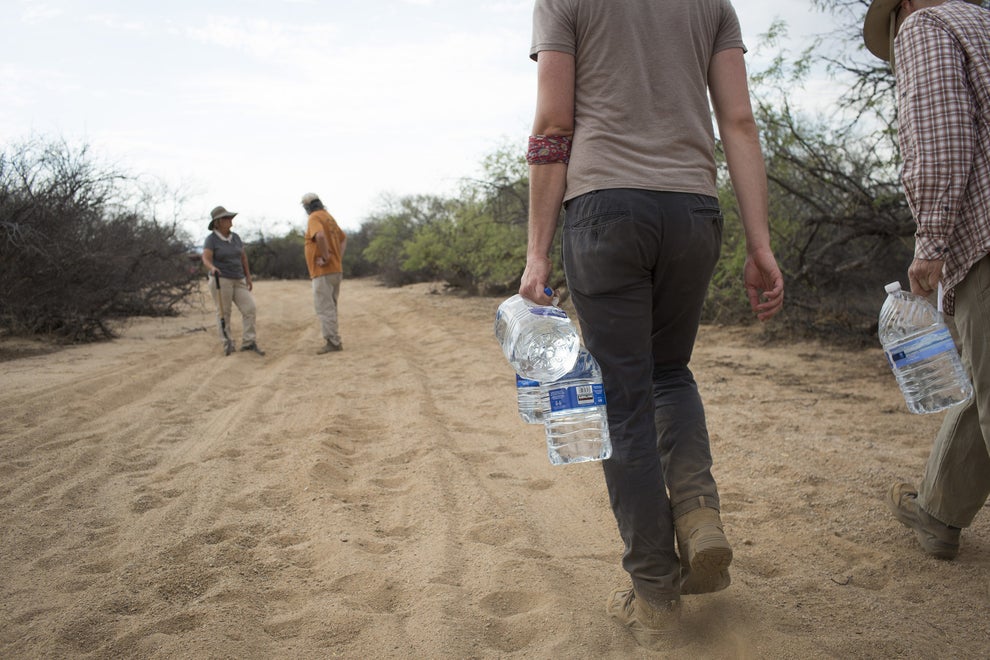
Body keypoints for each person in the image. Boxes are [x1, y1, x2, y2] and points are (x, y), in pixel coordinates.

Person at [522, 0, 785, 648]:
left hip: (606, 209)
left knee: (622, 402)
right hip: (692, 210)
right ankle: (697, 513)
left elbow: (555, 121)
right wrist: (760, 245)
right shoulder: (713, 5)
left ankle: (654, 589)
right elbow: (739, 121)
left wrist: (536, 254)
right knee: (669, 371)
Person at [861, 0, 990, 560]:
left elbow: (942, 142)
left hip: (984, 241)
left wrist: (932, 243)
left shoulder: (924, 25)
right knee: (980, 381)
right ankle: (938, 510)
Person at [201, 205, 265, 356]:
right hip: (221, 280)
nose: (230, 220)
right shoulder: (211, 240)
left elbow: (243, 257)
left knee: (249, 308)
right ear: (218, 222)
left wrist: (248, 276)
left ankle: (249, 342)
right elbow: (206, 258)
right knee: (224, 312)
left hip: (238, 278)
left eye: (230, 217)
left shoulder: (235, 237)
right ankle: (227, 343)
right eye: (226, 218)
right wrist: (212, 268)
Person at [301, 192, 347, 354]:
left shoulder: (314, 217)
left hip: (323, 271)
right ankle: (334, 338)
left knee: (325, 307)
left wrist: (326, 257)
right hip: (335, 270)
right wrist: (337, 259)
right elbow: (343, 238)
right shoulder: (328, 217)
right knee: (331, 307)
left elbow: (319, 235)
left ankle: (333, 342)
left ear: (307, 207)